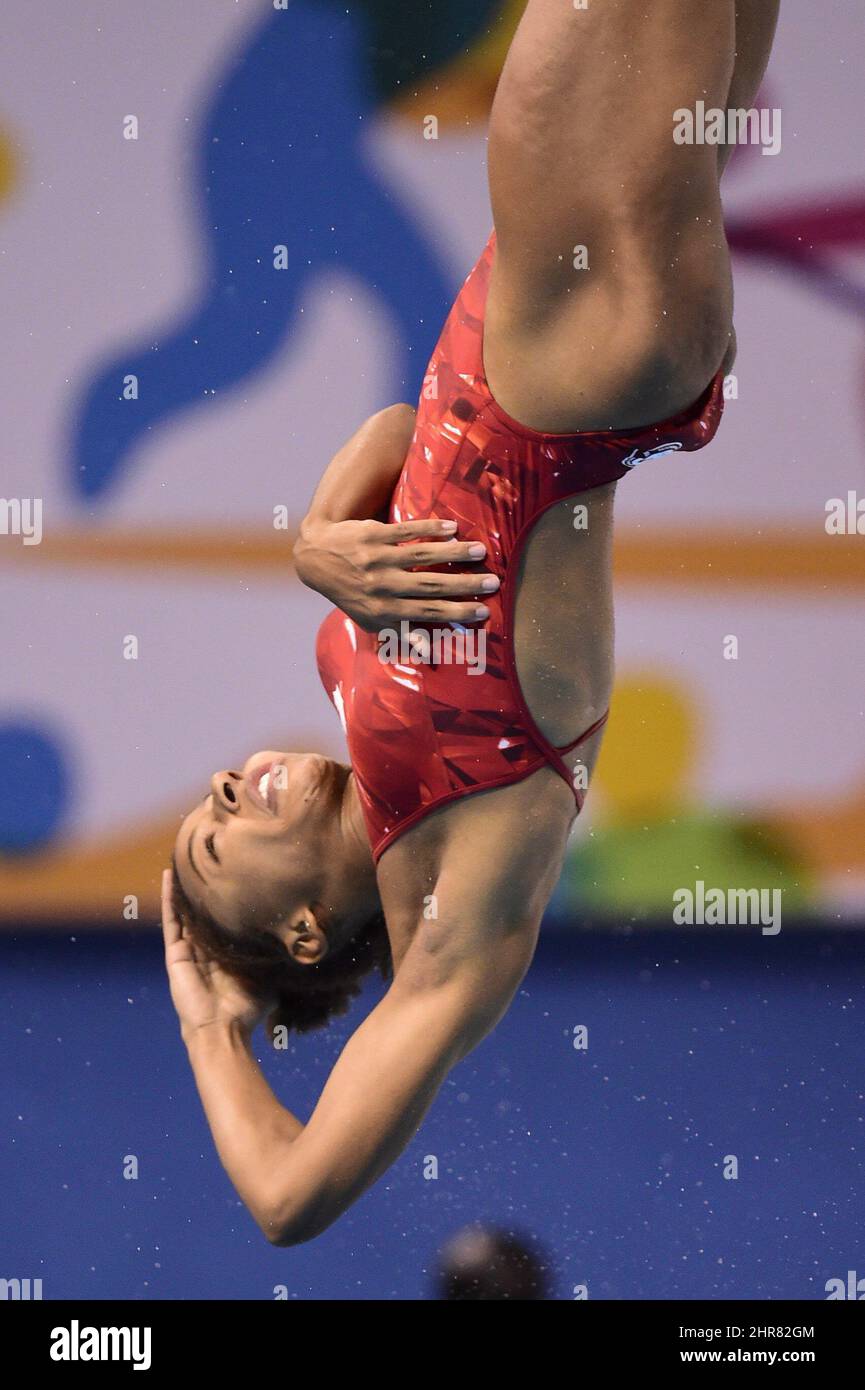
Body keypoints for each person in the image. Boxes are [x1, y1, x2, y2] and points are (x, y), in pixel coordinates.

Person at [163, 0, 780, 1245]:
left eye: (207, 796)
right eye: (219, 840)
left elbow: (397, 434)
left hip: (543, 320)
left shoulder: (343, 657)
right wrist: (204, 1015)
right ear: (302, 928)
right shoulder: (448, 922)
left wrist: (316, 539)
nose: (226, 786)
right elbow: (287, 1199)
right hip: (585, 365)